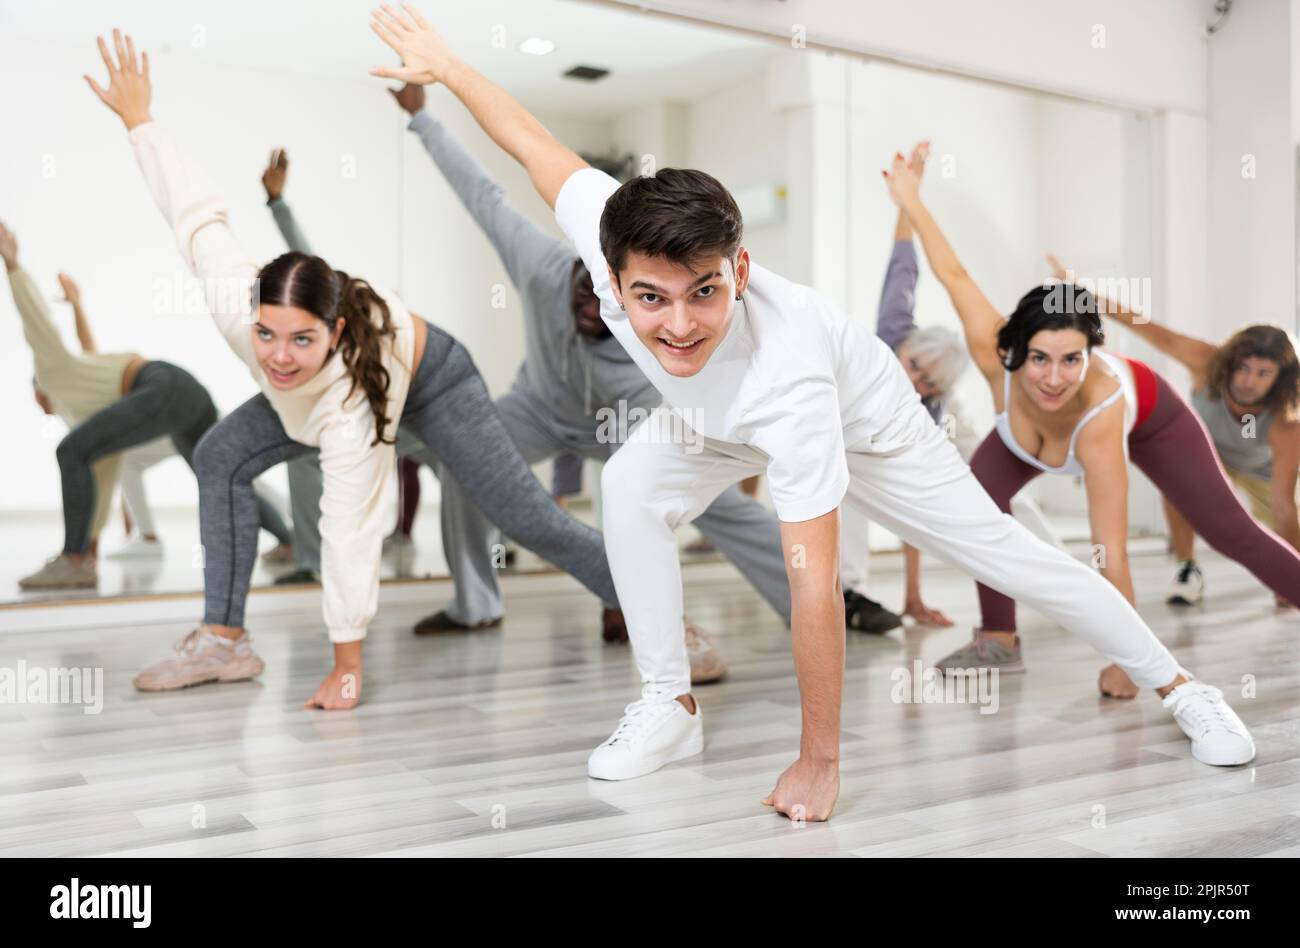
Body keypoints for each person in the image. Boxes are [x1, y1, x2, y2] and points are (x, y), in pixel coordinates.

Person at [368, 7, 1255, 821]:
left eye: (704, 293)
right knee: (634, 480)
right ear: (612, 281)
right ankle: (669, 704)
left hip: (871, 428)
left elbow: (812, 589)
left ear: (741, 273)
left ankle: (1182, 688)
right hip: (714, 421)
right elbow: (529, 142)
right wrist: (445, 67)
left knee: (1013, 555)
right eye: (651, 298)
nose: (677, 324)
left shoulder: (788, 382)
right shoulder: (608, 229)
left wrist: (819, 761)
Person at [88, 28, 627, 709]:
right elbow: (195, 215)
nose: (278, 357)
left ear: (335, 332)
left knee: (524, 515)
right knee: (222, 454)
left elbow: (350, 529)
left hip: (436, 378)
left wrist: (347, 664)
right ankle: (224, 639)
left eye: (300, 341)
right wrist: (141, 121)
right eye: (266, 336)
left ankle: (648, 604)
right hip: (347, 380)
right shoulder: (240, 300)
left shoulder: (351, 404)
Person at [385, 81, 790, 675]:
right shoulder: (540, 261)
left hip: (627, 417)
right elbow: (483, 194)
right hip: (539, 408)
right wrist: (424, 120)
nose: (589, 308)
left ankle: (819, 601)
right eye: (582, 294)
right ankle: (476, 603)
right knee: (465, 458)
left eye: (604, 302)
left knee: (714, 501)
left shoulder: (663, 301)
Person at [883, 149, 1300, 701]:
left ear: (1089, 355)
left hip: (1152, 416)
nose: (1055, 379)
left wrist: (1130, 663)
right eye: (1040, 360)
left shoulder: (1101, 414)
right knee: (977, 507)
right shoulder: (991, 347)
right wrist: (910, 200)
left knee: (1230, 530)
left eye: (1072, 360)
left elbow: (1111, 551)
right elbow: (952, 271)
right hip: (1021, 440)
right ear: (1012, 351)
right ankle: (999, 638)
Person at [2, 220, 289, 589]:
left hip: (162, 385)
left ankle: (72, 562)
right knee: (216, 473)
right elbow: (102, 474)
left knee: (71, 450)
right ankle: (290, 542)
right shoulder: (85, 402)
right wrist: (91, 542)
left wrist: (13, 267)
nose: (40, 404)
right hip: (183, 391)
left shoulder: (55, 374)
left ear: (40, 387)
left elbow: (39, 326)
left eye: (37, 396)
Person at [1059, 251, 1299, 608]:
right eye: (1244, 369)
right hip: (1207, 450)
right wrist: (1084, 295)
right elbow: (1146, 326)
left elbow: (1282, 504)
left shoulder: (1285, 422)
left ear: (1280, 378)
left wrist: (1288, 580)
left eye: (1263, 373)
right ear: (1230, 362)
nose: (1249, 382)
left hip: (1257, 470)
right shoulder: (1206, 361)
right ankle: (1187, 568)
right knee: (1176, 479)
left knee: (1281, 534)